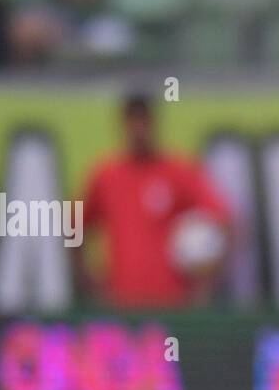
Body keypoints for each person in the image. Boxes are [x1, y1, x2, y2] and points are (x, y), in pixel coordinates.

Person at [80, 94, 233, 309]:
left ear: (154, 122)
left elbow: (224, 220)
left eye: (143, 120)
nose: (138, 128)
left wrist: (206, 284)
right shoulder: (106, 175)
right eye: (132, 120)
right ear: (122, 124)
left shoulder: (179, 170)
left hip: (174, 304)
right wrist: (89, 281)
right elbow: (74, 226)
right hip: (122, 304)